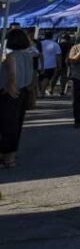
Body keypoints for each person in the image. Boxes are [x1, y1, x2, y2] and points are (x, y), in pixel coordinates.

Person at [1, 28, 38, 168]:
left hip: (10, 92)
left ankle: (7, 157)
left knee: (7, 126)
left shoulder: (11, 55)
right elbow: (32, 75)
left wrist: (10, 84)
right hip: (23, 92)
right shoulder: (28, 54)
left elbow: (11, 71)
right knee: (16, 125)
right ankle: (10, 156)